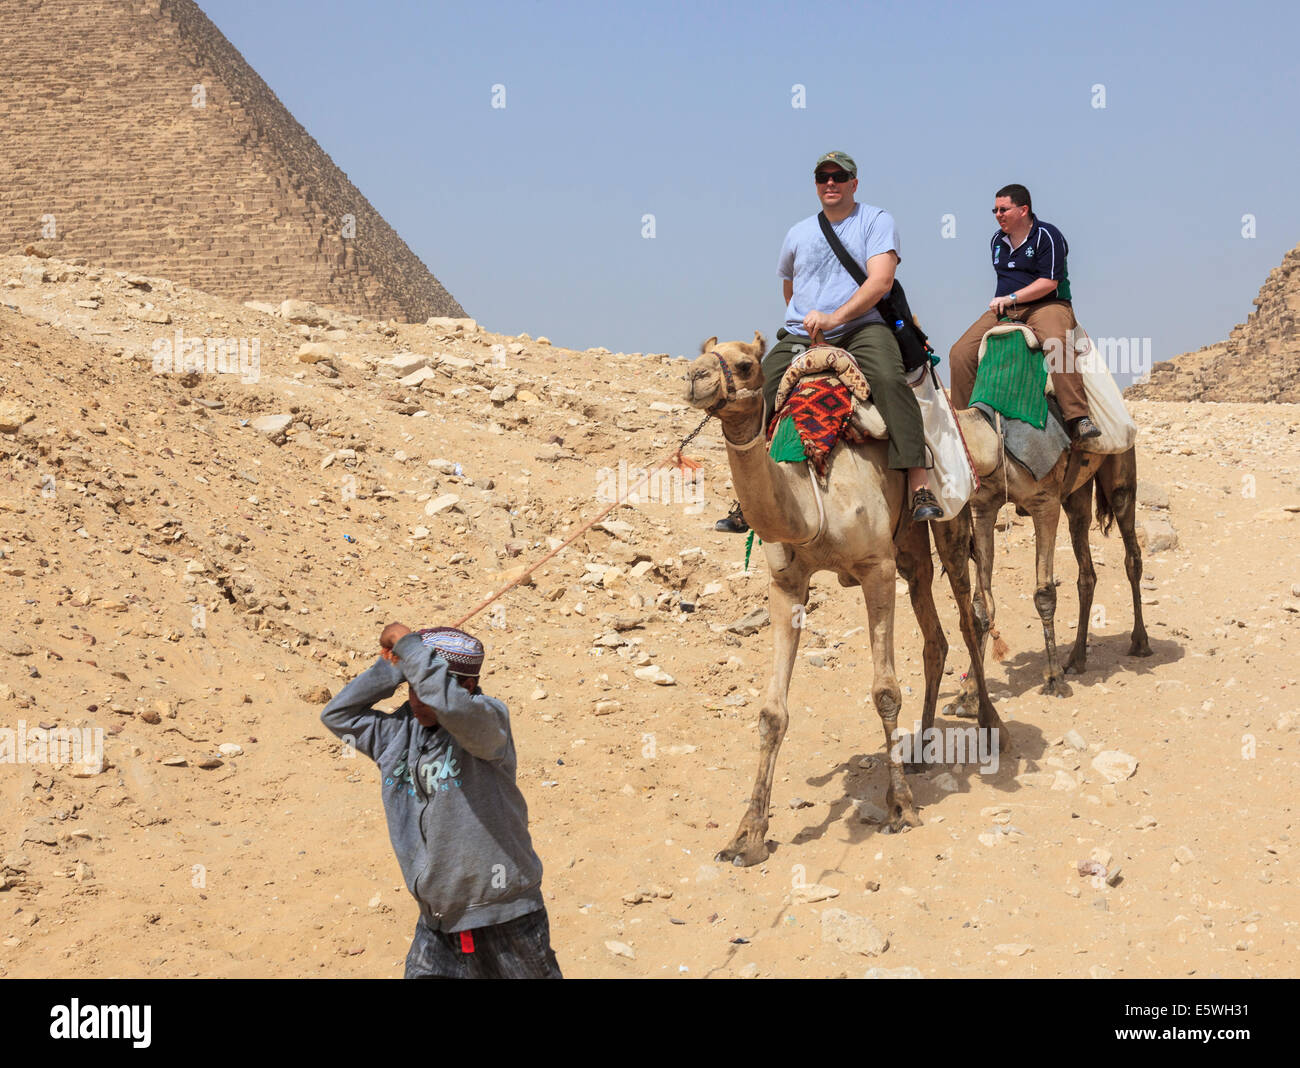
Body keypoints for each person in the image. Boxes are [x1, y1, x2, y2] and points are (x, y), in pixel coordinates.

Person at [321, 622, 562, 979]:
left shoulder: (487, 722)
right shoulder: (397, 733)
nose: (416, 700)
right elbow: (338, 716)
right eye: (411, 689)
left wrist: (408, 644)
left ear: (466, 685)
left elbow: (455, 708)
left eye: (426, 690)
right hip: (436, 923)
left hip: (505, 917)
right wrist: (390, 669)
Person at [717, 150, 941, 531]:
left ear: (854, 182)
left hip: (862, 328)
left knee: (888, 380)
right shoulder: (798, 232)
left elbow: (881, 281)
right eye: (823, 177)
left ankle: (919, 483)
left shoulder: (876, 221)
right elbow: (790, 289)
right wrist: (809, 322)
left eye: (839, 176)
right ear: (816, 184)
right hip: (803, 335)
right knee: (757, 392)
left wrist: (835, 317)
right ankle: (751, 497)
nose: (831, 183)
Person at [947, 184, 1099, 440]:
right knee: (960, 352)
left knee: (1057, 343)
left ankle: (1078, 417)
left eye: (1004, 209)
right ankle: (963, 423)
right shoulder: (997, 240)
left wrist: (1012, 298)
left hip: (1048, 304)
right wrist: (1007, 301)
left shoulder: (1047, 236)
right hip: (1007, 309)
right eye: (995, 210)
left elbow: (1049, 282)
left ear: (1023, 209)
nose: (998, 214)